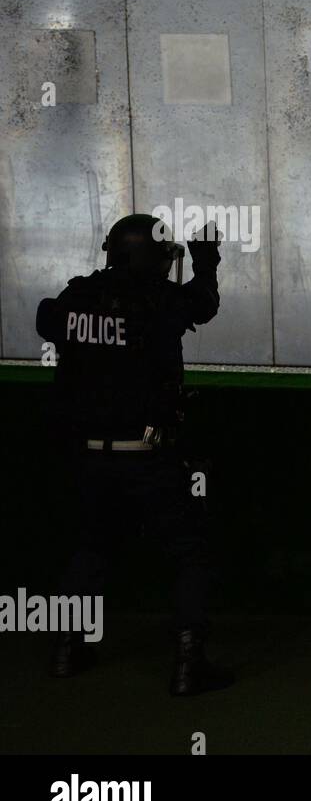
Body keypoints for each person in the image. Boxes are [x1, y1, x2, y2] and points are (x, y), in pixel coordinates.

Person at [36, 213, 232, 696]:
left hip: (88, 460)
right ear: (150, 257)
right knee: (190, 552)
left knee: (90, 547)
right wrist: (206, 259)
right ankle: (188, 664)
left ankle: (66, 647)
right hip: (148, 457)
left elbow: (53, 325)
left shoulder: (75, 298)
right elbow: (203, 305)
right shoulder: (159, 300)